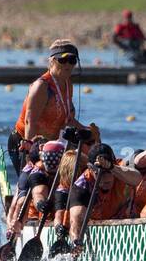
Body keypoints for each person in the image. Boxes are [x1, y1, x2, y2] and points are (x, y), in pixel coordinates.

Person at [9, 40, 90, 175]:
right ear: (52, 61)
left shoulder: (67, 84)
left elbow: (68, 119)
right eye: (63, 60)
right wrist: (30, 153)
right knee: (33, 180)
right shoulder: (42, 86)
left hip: (50, 144)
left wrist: (87, 130)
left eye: (72, 60)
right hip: (25, 141)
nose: (68, 64)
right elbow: (30, 122)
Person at [64, 144, 143, 254]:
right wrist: (76, 242)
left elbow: (138, 179)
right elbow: (75, 222)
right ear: (90, 169)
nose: (106, 179)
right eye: (99, 173)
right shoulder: (81, 187)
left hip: (128, 225)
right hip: (101, 231)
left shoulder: (120, 170)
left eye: (108, 173)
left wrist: (112, 168)